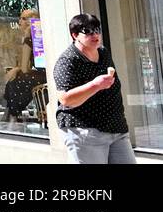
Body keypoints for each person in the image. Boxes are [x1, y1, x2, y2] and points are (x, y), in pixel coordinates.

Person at [53, 13, 135, 164]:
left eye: (97, 29)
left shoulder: (103, 52)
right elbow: (65, 99)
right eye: (88, 31)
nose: (95, 34)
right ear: (75, 35)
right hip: (85, 130)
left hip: (116, 128)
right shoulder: (67, 61)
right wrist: (95, 85)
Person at [2, 8, 42, 124]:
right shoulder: (32, 35)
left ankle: (13, 115)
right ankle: (12, 114)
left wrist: (16, 70)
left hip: (44, 75)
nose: (20, 22)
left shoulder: (31, 35)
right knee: (15, 79)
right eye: (20, 18)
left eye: (24, 19)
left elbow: (24, 67)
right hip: (41, 73)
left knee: (17, 80)